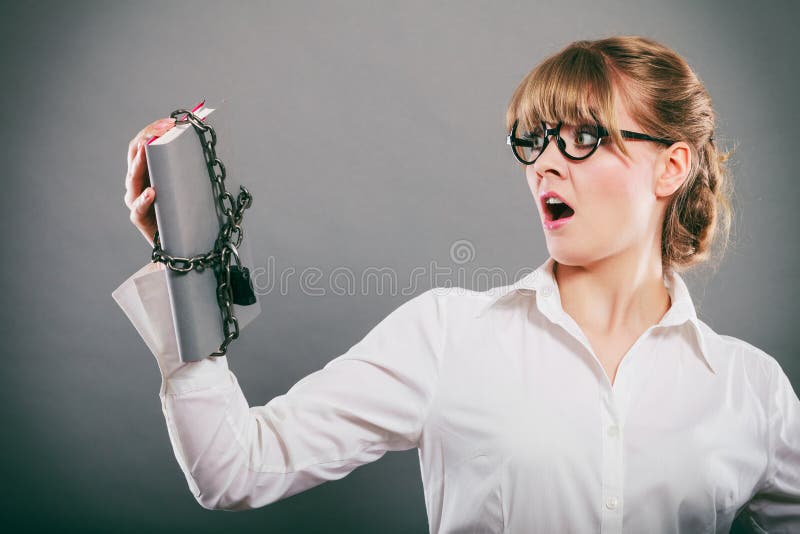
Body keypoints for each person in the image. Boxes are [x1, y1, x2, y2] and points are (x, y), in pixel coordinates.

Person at [113, 36, 800, 532]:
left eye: (584, 137)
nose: (546, 165)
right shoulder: (447, 336)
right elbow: (238, 469)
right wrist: (189, 266)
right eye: (534, 140)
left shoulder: (753, 390)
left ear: (671, 167)